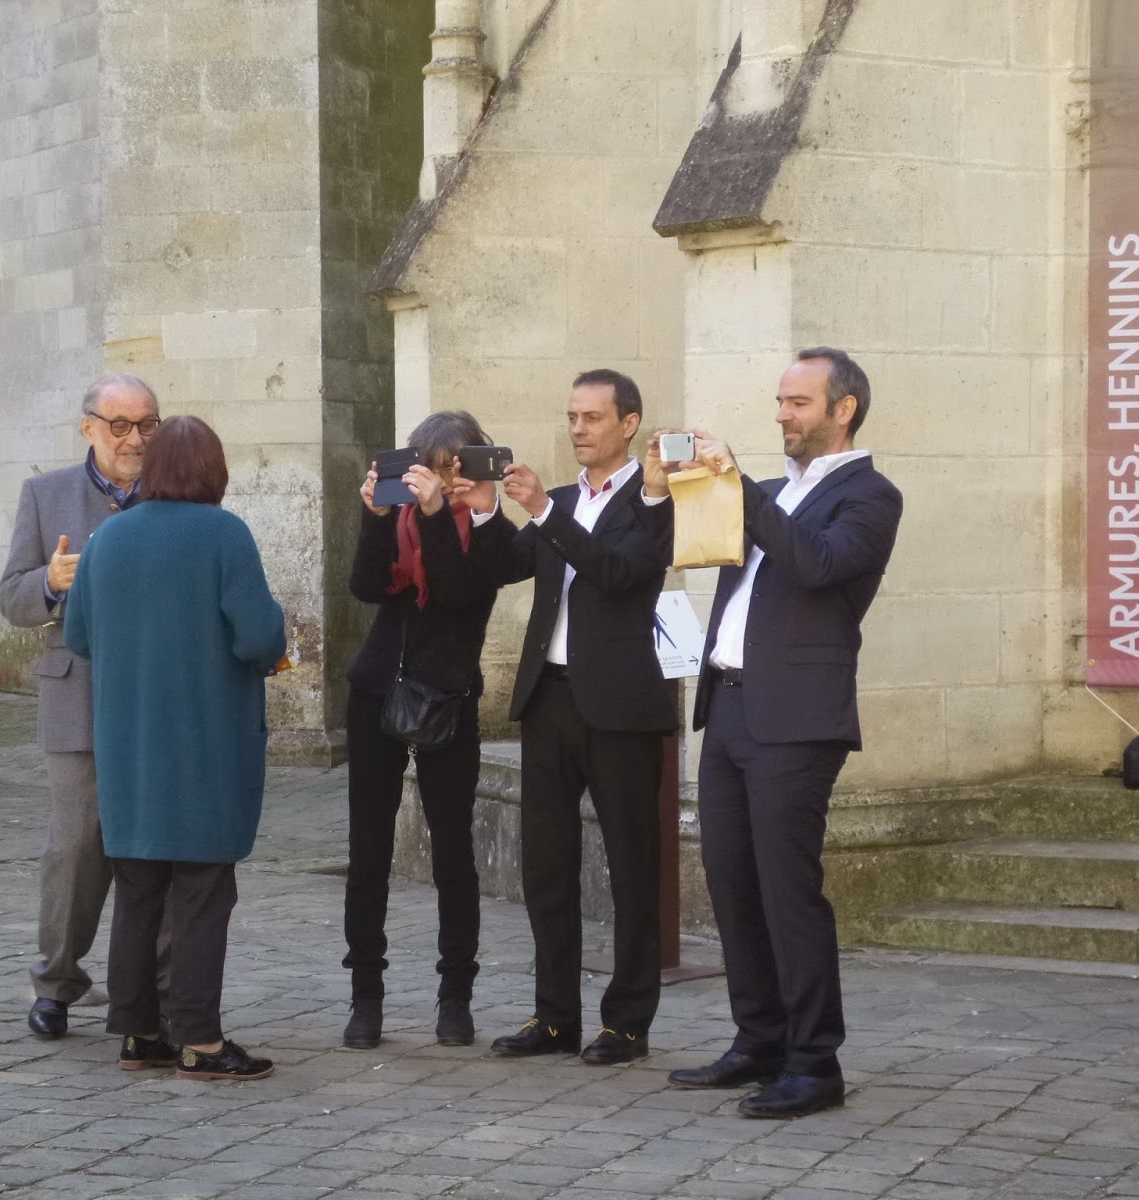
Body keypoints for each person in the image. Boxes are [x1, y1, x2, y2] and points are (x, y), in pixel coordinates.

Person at [650, 347, 902, 1118]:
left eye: (797, 402)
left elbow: (819, 566)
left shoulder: (870, 496)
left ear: (843, 409)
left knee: (789, 890)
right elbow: (692, 546)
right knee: (732, 884)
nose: (781, 415)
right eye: (780, 401)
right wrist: (670, 492)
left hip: (797, 720)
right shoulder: (765, 491)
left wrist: (747, 497)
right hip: (727, 710)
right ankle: (757, 1040)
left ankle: (814, 1062)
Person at [62, 415, 286, 1082]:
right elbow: (258, 639)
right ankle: (201, 1040)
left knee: (137, 893)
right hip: (205, 743)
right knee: (201, 894)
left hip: (129, 745)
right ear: (213, 470)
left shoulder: (110, 537)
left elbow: (78, 635)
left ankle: (137, 1033)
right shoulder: (224, 534)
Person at [488, 369, 675, 1066]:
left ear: (628, 424)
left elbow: (617, 573)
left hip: (619, 707)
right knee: (547, 868)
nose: (577, 429)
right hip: (550, 700)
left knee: (631, 869)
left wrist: (542, 513)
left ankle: (627, 1022)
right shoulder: (560, 502)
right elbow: (501, 565)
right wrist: (479, 510)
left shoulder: (653, 501)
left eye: (592, 417)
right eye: (571, 416)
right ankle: (554, 1015)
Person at [341, 411, 518, 1050]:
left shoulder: (493, 536)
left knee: (453, 853)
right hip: (376, 694)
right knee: (369, 849)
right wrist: (376, 518)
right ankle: (366, 997)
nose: (438, 478)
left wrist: (444, 513)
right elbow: (365, 586)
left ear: (468, 465)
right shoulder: (401, 518)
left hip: (446, 701)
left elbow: (455, 592)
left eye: (450, 465)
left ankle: (456, 996)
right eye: (428, 463)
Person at [0, 374, 162, 1038]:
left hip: (156, 696)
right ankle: (57, 983)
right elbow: (11, 598)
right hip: (78, 695)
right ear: (89, 426)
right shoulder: (45, 494)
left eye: (148, 424)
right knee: (74, 848)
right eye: (119, 425)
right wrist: (50, 582)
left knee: (152, 846)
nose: (135, 439)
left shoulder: (177, 491)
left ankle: (150, 993)